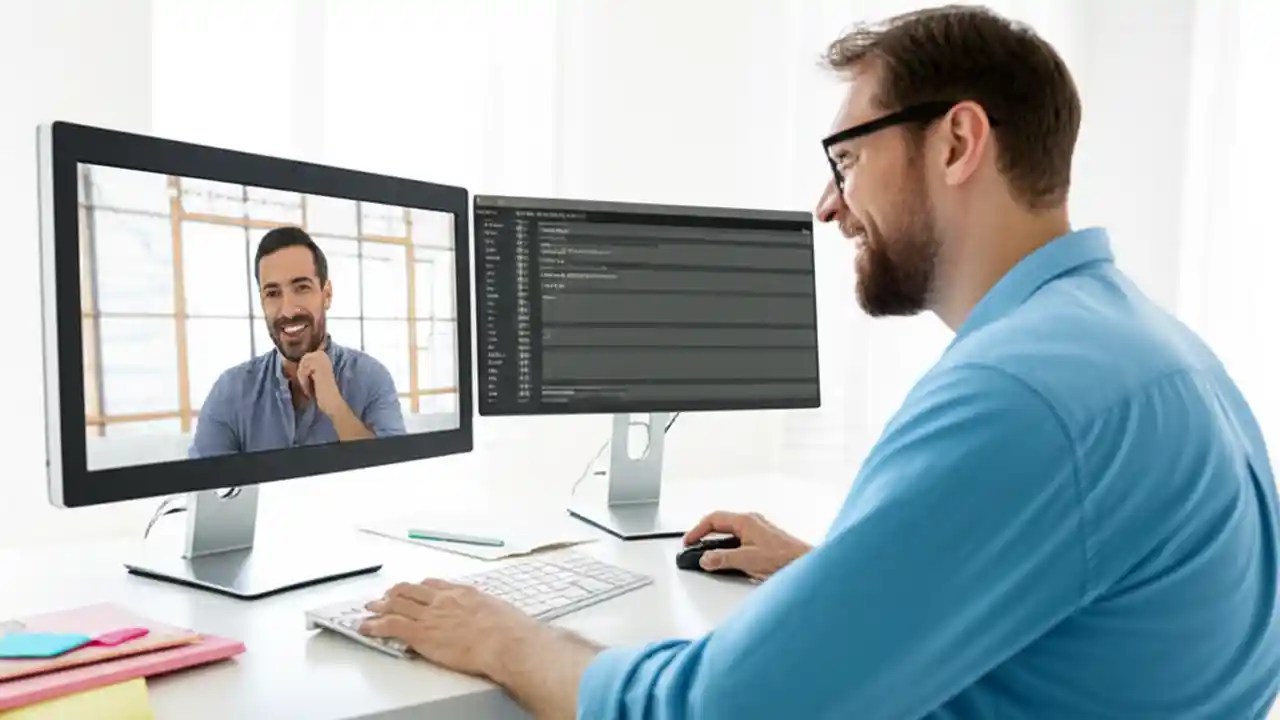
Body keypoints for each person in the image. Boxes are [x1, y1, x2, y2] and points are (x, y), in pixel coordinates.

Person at [358, 5, 1280, 718]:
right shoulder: (1155, 352)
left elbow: (715, 712)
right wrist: (830, 575)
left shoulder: (1018, 394)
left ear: (956, 143)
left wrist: (505, 638)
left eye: (847, 157)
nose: (828, 206)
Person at [189, 227, 405, 458]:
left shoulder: (371, 378)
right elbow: (203, 488)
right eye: (272, 293)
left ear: (327, 294)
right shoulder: (230, 391)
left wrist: (336, 408)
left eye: (302, 288)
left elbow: (396, 477)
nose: (289, 310)